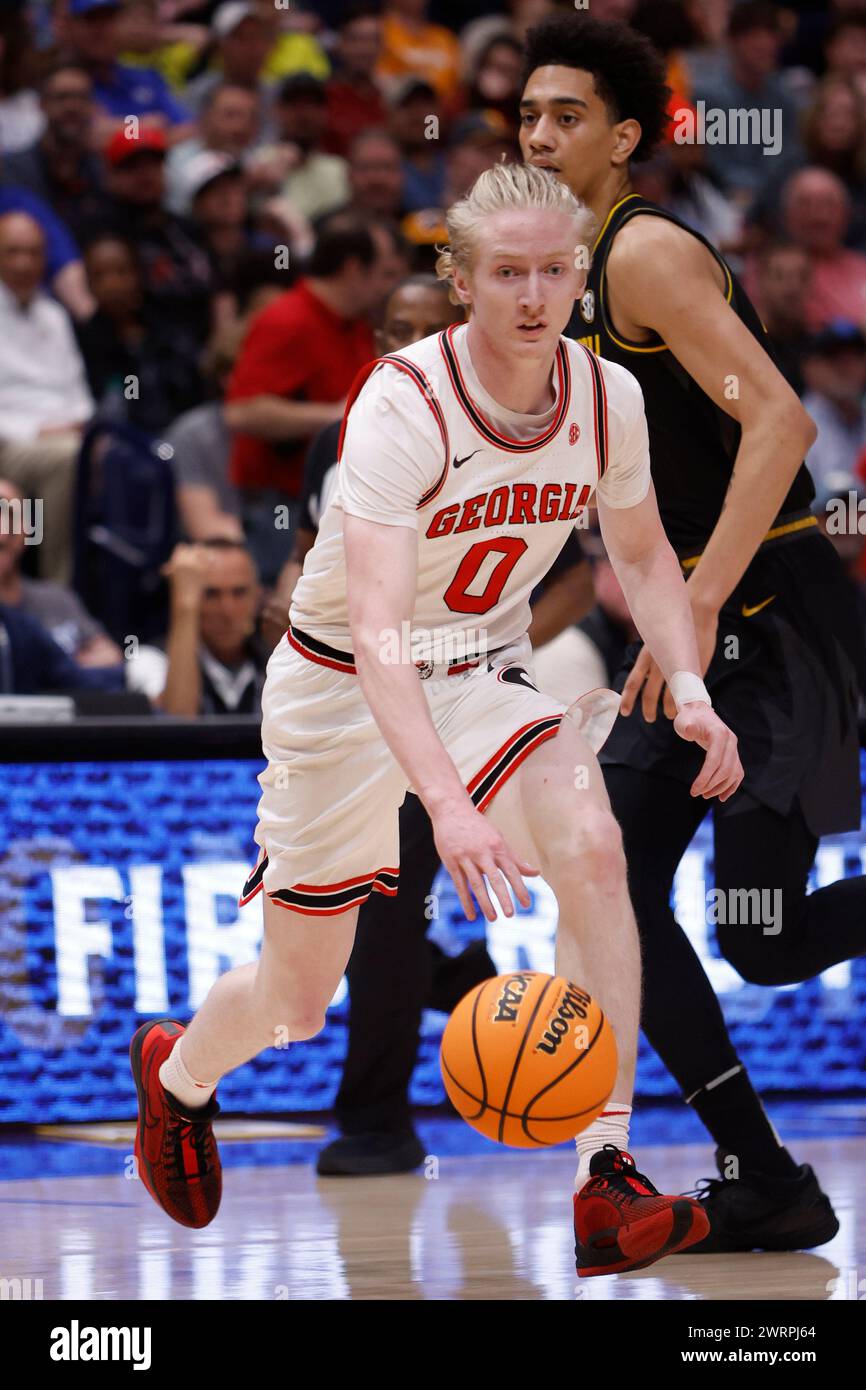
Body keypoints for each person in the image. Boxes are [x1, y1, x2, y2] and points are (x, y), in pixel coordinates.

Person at [129, 163, 743, 1279]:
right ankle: (178, 1079)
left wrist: (692, 689)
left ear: (581, 280)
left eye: (555, 270)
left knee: (594, 849)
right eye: (506, 271)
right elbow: (373, 635)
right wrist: (450, 811)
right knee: (296, 1001)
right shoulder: (401, 403)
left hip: (479, 668)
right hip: (337, 686)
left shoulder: (608, 398)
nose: (532, 294)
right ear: (459, 282)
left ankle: (603, 1173)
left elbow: (644, 551)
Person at [520, 12, 862, 1253]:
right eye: (524, 115)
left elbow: (780, 426)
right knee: (603, 875)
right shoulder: (553, 277)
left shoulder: (642, 255)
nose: (539, 134)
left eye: (567, 116)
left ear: (624, 138)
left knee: (756, 945)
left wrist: (697, 607)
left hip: (776, 615)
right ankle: (760, 1174)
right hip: (698, 621)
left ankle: (761, 1176)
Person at [225, 211, 394, 583]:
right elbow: (241, 412)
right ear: (353, 269)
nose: (387, 287)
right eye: (382, 274)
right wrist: (337, 416)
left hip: (332, 499)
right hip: (281, 507)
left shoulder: (357, 323)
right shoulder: (288, 320)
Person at [0, 212, 93, 585]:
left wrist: (75, 424)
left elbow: (79, 394)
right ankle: (58, 586)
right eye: (13, 251)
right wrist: (41, 431)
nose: (24, 263)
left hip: (64, 435)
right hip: (10, 441)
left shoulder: (54, 314)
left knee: (126, 455)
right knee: (67, 457)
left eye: (34, 253)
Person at [152, 538, 266, 716]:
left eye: (239, 592)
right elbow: (178, 720)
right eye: (210, 594)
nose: (227, 610)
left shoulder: (276, 660)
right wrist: (185, 609)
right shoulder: (152, 659)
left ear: (258, 597)